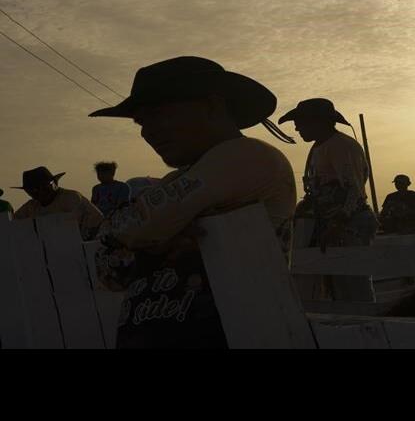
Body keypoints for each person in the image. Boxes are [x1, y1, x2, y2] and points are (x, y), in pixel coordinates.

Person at [91, 56, 297, 348]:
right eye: (141, 122)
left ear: (213, 105)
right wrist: (147, 240)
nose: (147, 131)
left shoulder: (249, 156)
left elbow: (139, 227)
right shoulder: (177, 181)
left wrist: (139, 239)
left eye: (159, 114)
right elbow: (107, 269)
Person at [278, 97, 376, 301]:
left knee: (351, 283)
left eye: (301, 123)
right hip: (328, 223)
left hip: (347, 223)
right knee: (332, 284)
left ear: (317, 122)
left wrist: (338, 223)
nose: (297, 128)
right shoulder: (319, 147)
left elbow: (354, 189)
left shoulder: (341, 145)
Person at [13, 166, 103, 239]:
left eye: (45, 187)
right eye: (34, 190)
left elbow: (96, 221)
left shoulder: (70, 198)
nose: (41, 192)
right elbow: (12, 224)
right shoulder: (30, 207)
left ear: (54, 184)